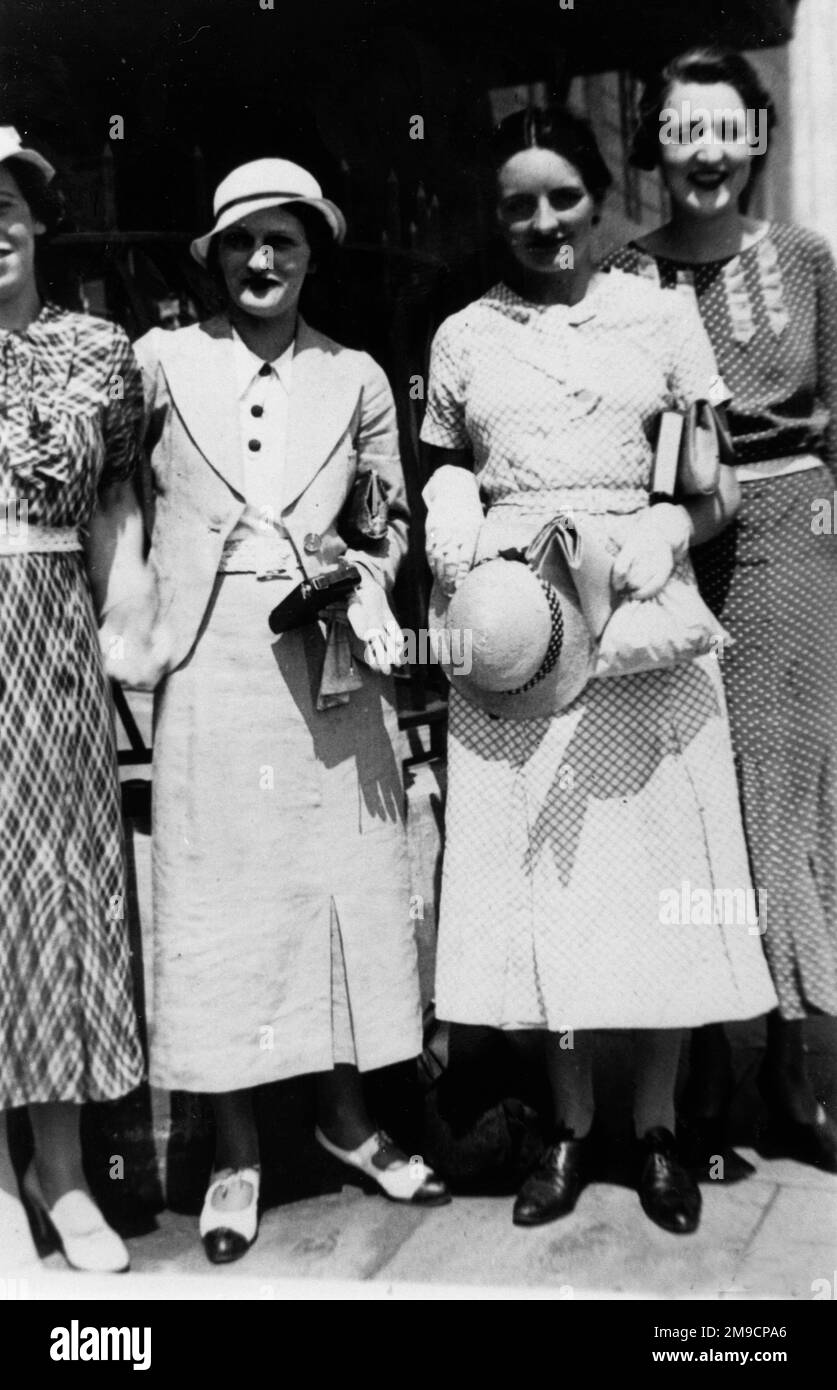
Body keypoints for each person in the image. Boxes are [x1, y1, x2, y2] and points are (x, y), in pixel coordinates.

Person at [419, 106, 777, 1234]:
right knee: (548, 893)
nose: (542, 222)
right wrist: (452, 513)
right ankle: (573, 1127)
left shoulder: (663, 320)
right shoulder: (464, 336)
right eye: (518, 203)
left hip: (642, 621)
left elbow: (714, 482)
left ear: (601, 197)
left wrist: (669, 530)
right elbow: (447, 471)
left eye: (563, 197)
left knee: (663, 879)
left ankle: (659, 1128)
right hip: (523, 623)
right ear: (496, 217)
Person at [129, 157, 449, 1265]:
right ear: (212, 256)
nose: (262, 261)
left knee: (339, 882)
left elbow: (391, 516)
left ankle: (349, 1118)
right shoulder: (161, 361)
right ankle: (235, 1149)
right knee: (221, 897)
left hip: (327, 663)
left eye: (285, 242)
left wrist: (357, 563)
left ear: (315, 253)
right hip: (209, 664)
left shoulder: (357, 376)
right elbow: (121, 498)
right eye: (241, 243)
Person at [605, 46, 837, 1174]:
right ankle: (693, 1070)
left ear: (756, 140)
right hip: (676, 547)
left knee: (791, 800)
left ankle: (791, 1070)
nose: (703, 150)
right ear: (655, 145)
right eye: (680, 128)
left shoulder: (806, 259)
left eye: (725, 127)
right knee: (692, 800)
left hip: (798, 545)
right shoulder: (622, 277)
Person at [0, 126, 153, 1274]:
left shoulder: (101, 350)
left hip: (50, 628)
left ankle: (62, 1174)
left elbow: (118, 507)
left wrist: (125, 620)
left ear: (40, 214)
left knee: (56, 887)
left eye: (7, 199)